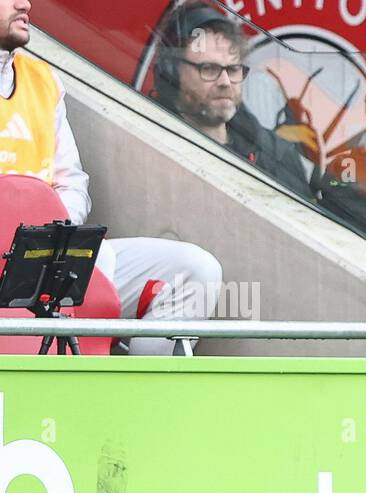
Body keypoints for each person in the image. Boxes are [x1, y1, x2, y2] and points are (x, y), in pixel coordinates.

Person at [0, 0, 222, 355]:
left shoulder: (43, 80)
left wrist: (50, 242)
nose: (24, 3)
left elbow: (73, 183)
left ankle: (140, 401)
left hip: (45, 256)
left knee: (193, 270)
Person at [154, 1, 312, 200]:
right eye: (209, 69)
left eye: (233, 69)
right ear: (172, 73)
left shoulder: (278, 157)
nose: (225, 82)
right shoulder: (147, 145)